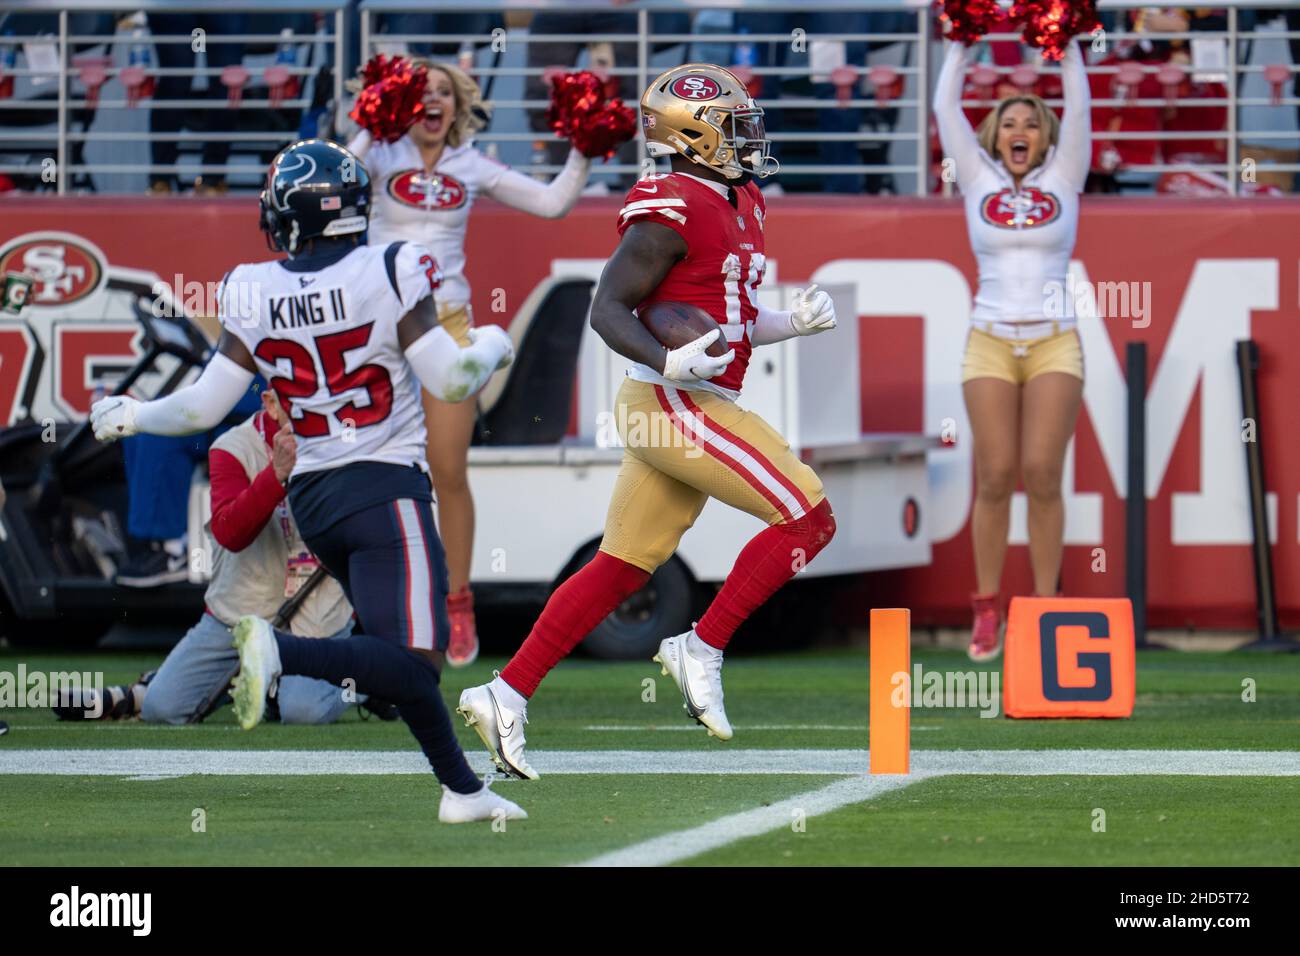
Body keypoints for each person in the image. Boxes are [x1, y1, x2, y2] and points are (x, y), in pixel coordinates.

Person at [89, 138, 522, 824]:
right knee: (417, 665)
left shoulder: (250, 286)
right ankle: (278, 648)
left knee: (391, 658)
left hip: (316, 500)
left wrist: (134, 413)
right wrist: (496, 340)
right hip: (383, 486)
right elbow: (453, 377)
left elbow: (202, 406)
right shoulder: (390, 265)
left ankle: (462, 791)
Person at [456, 64, 838, 781]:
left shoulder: (742, 194)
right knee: (808, 518)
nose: (748, 134)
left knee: (621, 565)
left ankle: (503, 693)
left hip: (694, 398)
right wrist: (672, 366)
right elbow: (608, 309)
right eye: (732, 123)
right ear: (693, 134)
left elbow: (731, 321)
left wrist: (790, 324)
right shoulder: (672, 204)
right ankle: (701, 646)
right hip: (672, 403)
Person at [347, 60, 592, 668]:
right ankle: (361, 607)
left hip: (446, 324)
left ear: (458, 106)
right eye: (420, 93)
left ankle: (458, 602)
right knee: (363, 466)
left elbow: (553, 202)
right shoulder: (378, 153)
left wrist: (584, 148)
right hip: (376, 325)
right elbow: (340, 180)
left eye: (444, 94)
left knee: (447, 469)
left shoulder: (472, 164)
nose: (433, 102)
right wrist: (367, 122)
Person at [54, 395, 381, 726]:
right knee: (162, 709)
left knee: (302, 711)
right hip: (237, 615)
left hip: (317, 619)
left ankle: (372, 680)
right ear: (270, 403)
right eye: (297, 402)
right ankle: (256, 685)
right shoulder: (232, 446)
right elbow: (230, 533)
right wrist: (276, 475)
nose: (312, 413)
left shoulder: (346, 444)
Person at [933, 36, 1090, 661]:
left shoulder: (1066, 171)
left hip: (1055, 343)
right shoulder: (974, 176)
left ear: (1046, 138)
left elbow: (1078, 107)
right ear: (995, 137)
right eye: (1008, 123)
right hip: (989, 342)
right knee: (996, 476)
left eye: (1032, 123)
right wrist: (959, 47)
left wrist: (1068, 39)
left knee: (1044, 477)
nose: (1019, 130)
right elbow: (947, 111)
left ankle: (1047, 613)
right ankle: (986, 609)